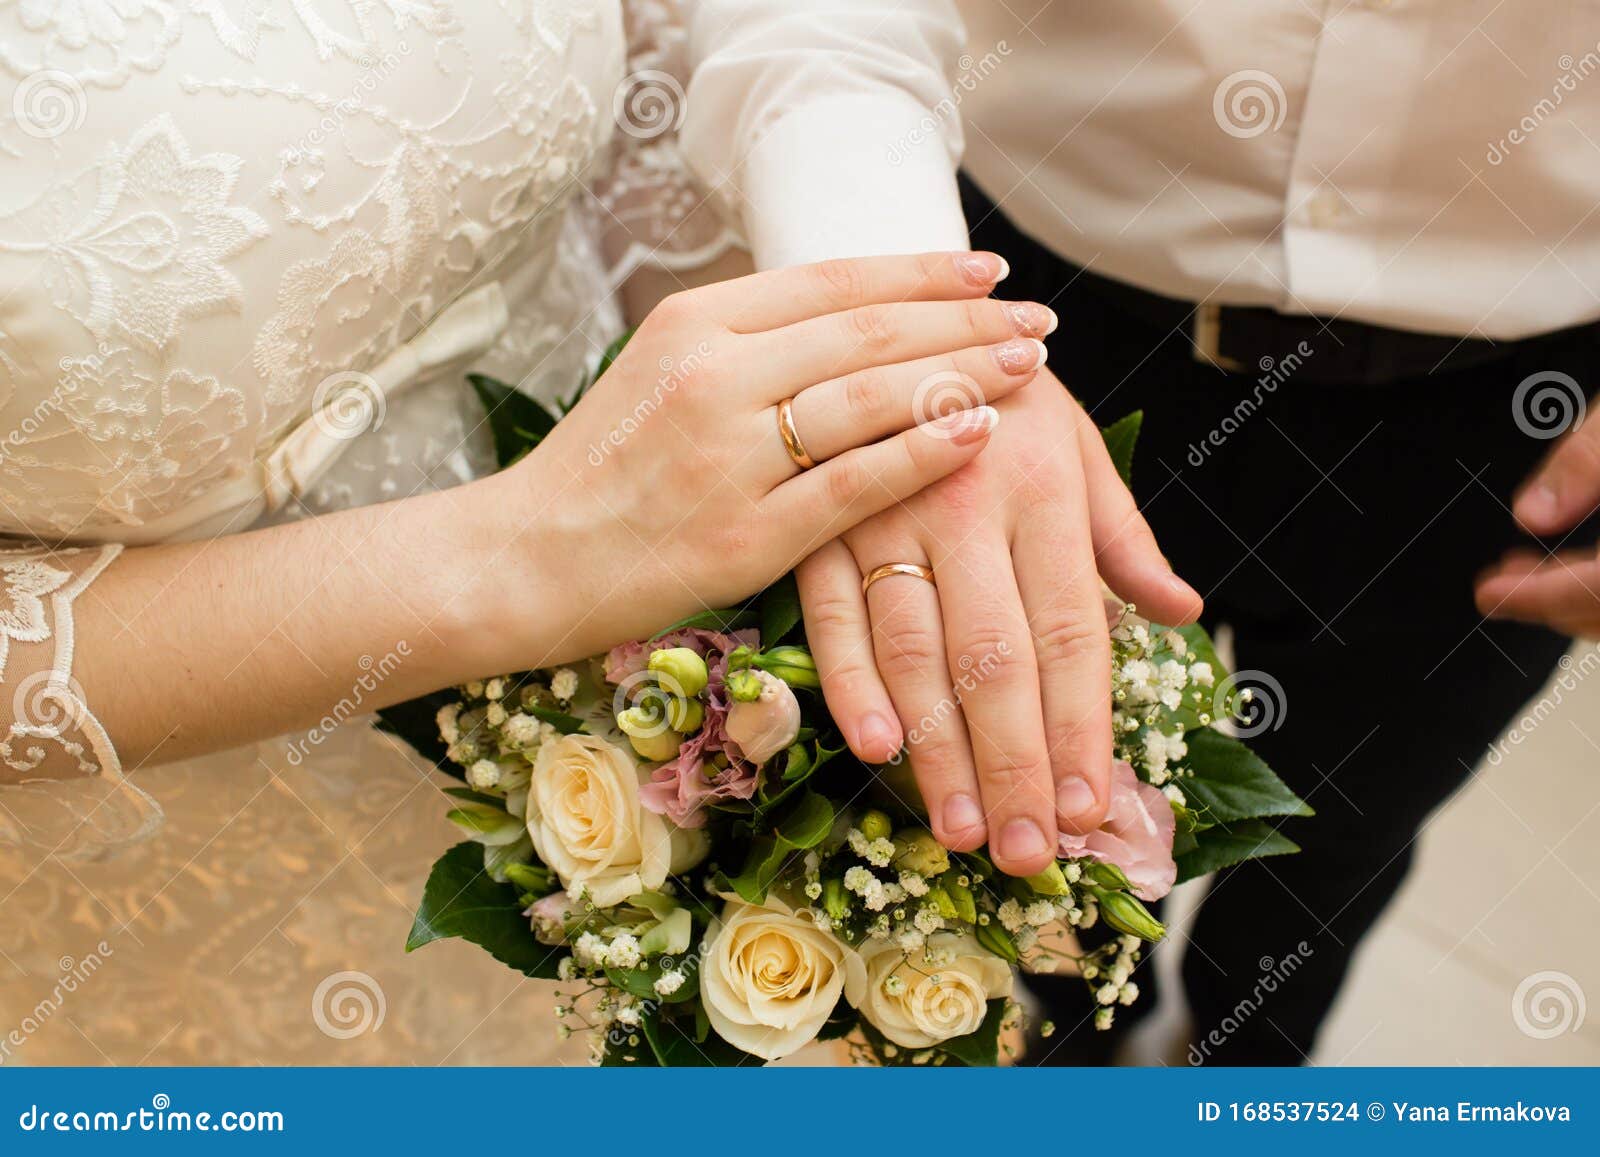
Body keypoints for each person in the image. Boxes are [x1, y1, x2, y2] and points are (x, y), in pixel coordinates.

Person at [0, 4, 1054, 1064]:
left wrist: (883, 377)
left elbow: (675, 48)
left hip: (691, 611)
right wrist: (512, 557)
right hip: (166, 904)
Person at [681, 0, 1600, 1063]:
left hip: (1519, 411)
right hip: (1034, 322)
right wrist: (906, 362)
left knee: (1348, 831)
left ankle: (1251, 1058)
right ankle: (1063, 1049)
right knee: (1013, 822)